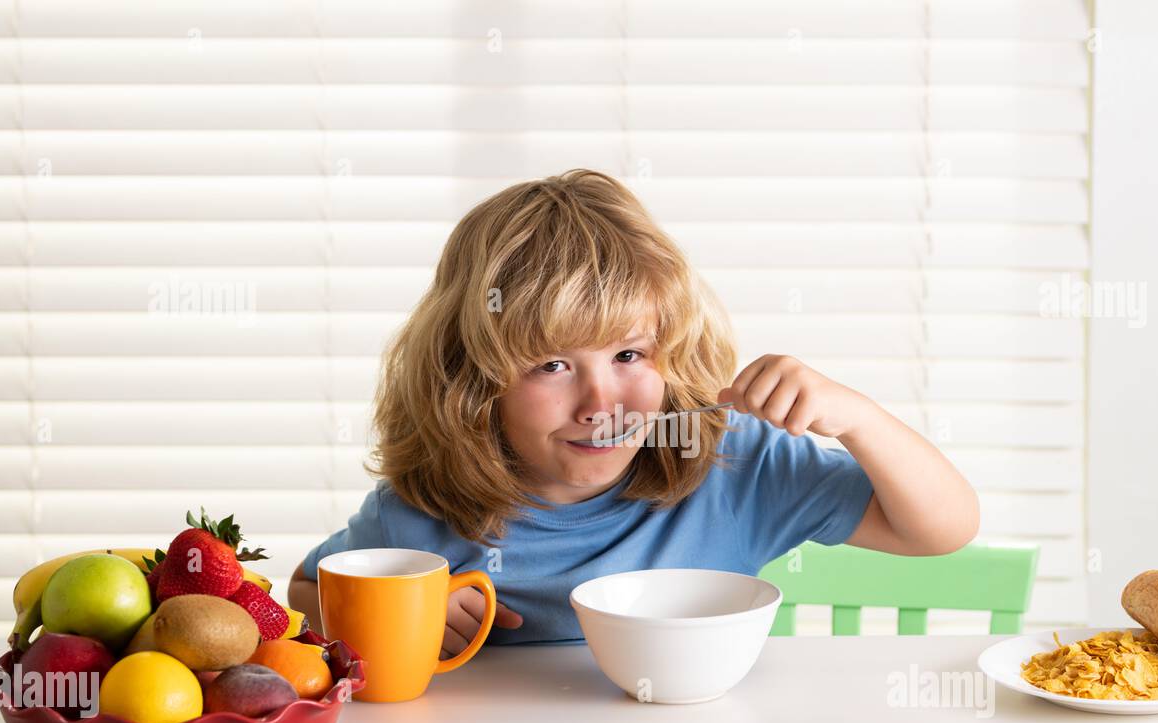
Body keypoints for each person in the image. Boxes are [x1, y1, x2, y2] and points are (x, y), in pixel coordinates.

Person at [288, 169, 979, 656]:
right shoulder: (422, 511)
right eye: (551, 365)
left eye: (629, 355)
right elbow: (305, 589)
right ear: (473, 382)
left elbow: (941, 529)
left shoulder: (732, 464)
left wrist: (858, 419)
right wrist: (400, 617)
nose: (602, 403)